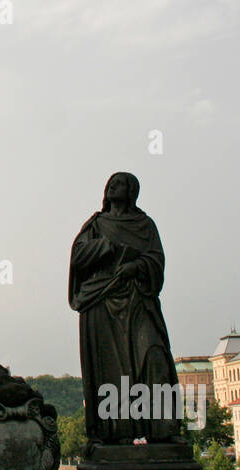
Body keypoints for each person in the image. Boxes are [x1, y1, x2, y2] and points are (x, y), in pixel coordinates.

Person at [68, 172, 182, 448]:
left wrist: (137, 266)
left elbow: (156, 260)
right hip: (102, 303)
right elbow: (78, 257)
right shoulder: (96, 224)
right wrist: (106, 247)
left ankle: (163, 429)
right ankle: (115, 433)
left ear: (132, 191)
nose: (111, 187)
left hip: (137, 299)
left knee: (154, 355)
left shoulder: (145, 225)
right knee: (111, 372)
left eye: (119, 183)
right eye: (110, 183)